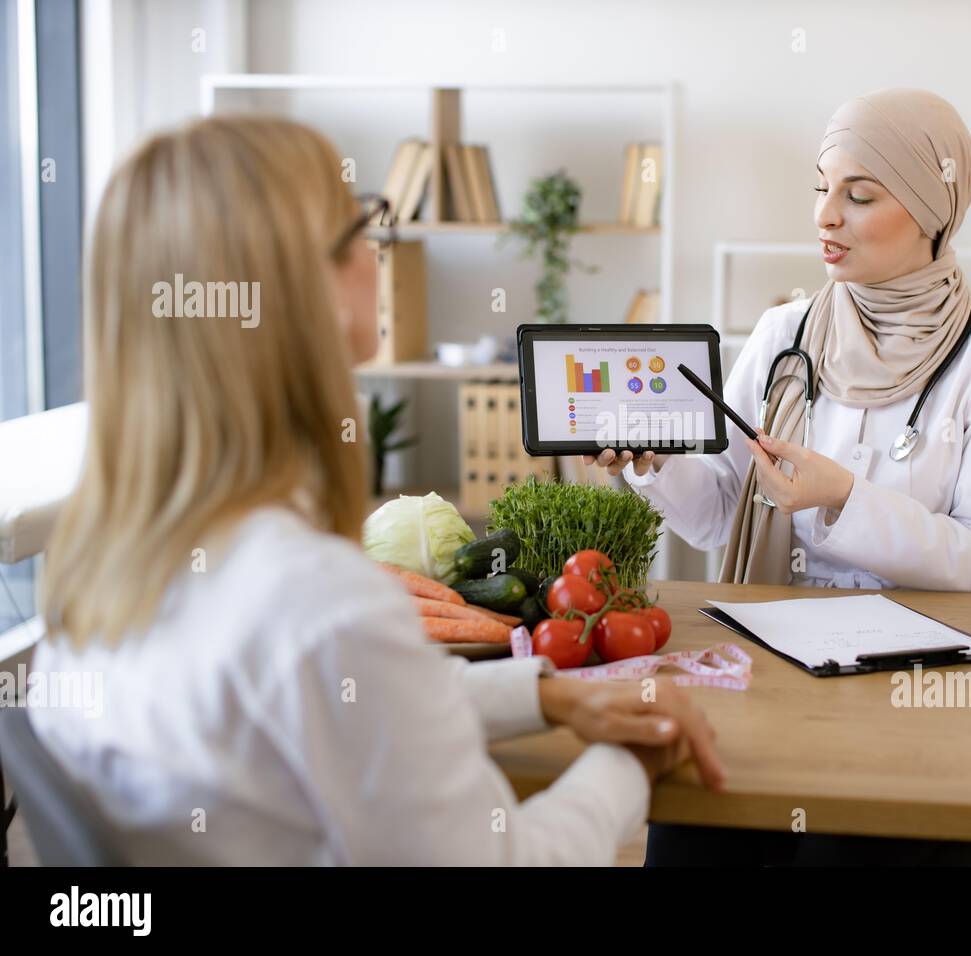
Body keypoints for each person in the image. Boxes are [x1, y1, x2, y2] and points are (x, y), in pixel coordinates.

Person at [31, 115, 723, 866]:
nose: (378, 251)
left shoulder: (100, 573)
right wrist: (636, 766)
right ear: (307, 289)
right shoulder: (319, 606)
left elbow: (347, 707)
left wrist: (545, 695)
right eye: (361, 224)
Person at [587, 88, 971, 865]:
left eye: (859, 195)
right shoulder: (782, 333)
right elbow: (718, 516)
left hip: (916, 691)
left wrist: (845, 499)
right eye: (821, 188)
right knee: (689, 842)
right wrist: (656, 466)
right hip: (767, 670)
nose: (825, 215)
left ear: (934, 210)